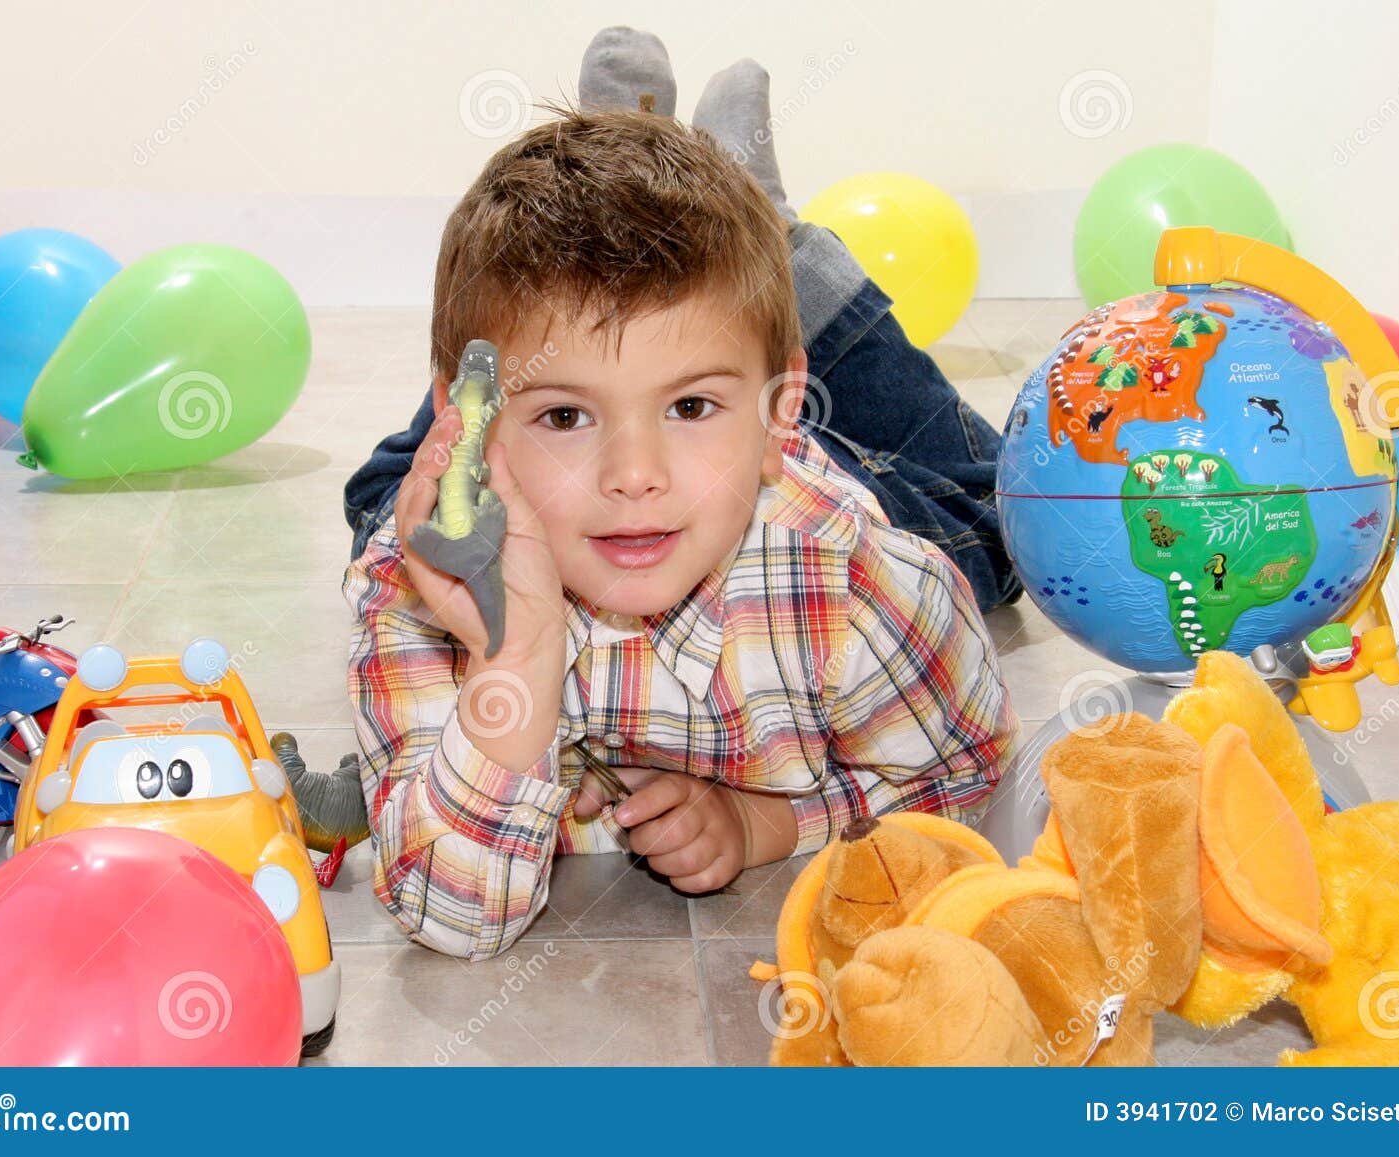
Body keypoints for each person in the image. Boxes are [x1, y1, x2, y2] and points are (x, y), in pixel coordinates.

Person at [321, 28, 1018, 961]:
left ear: (779, 413)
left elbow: (963, 776)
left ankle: (767, 229)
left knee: (987, 518)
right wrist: (515, 654)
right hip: (574, 444)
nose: (634, 473)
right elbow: (450, 911)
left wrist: (771, 820)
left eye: (689, 405)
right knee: (384, 496)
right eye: (567, 417)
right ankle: (629, 226)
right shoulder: (413, 597)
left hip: (781, 471)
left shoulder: (852, 579)